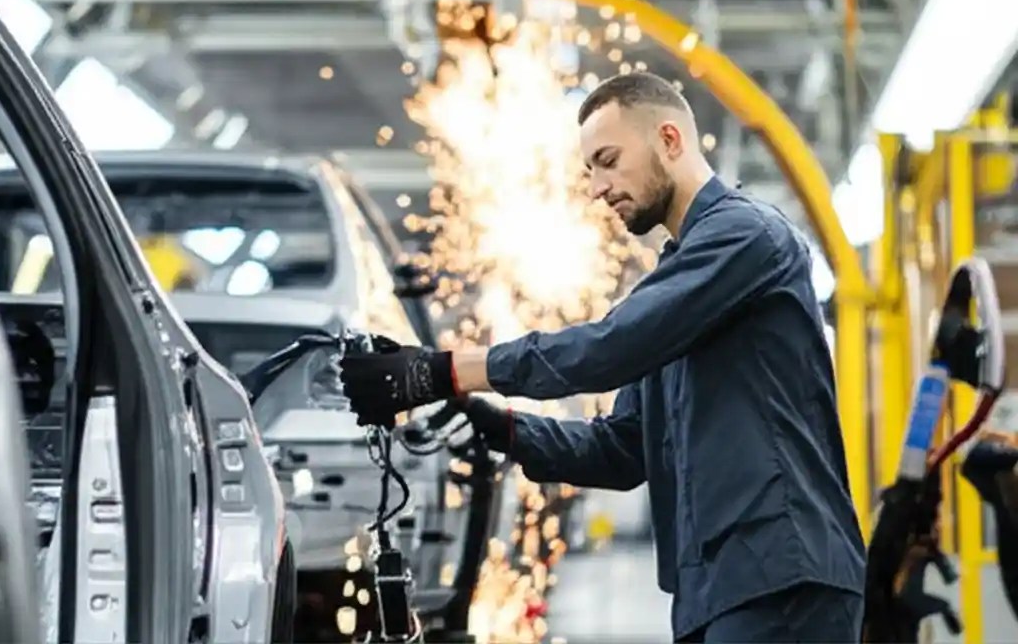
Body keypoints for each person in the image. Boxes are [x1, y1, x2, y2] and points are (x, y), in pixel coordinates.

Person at [340, 72, 867, 642]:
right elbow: (621, 448)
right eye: (589, 170)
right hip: (716, 589)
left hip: (780, 575)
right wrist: (501, 427)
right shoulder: (675, 286)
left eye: (608, 160)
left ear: (670, 139)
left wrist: (440, 371)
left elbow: (608, 348)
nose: (596, 187)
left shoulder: (745, 237)